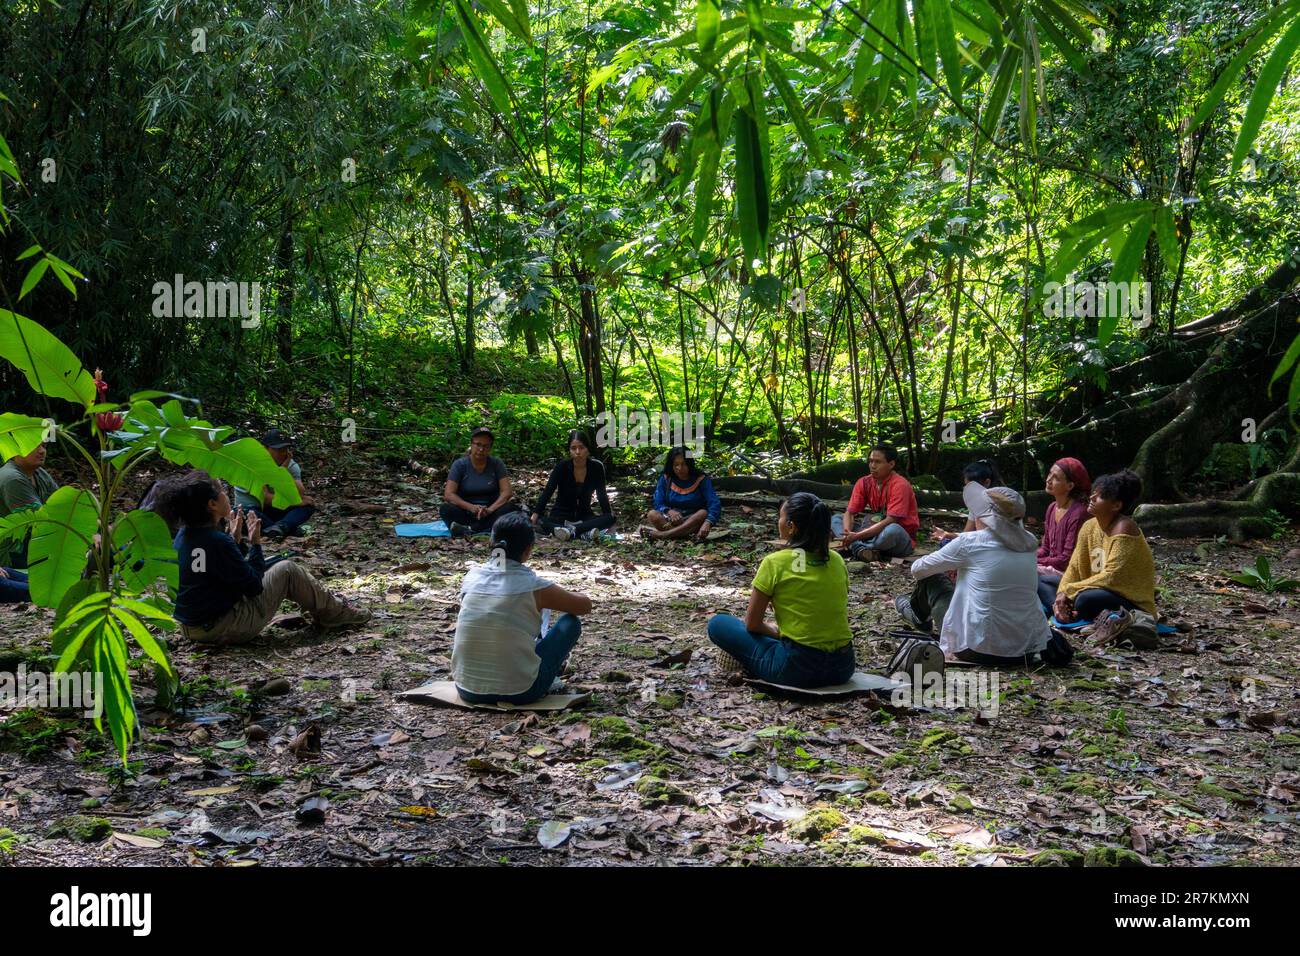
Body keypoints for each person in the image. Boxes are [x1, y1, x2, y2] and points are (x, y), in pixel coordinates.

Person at [156, 470, 369, 645]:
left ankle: (329, 607)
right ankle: (335, 613)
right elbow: (253, 586)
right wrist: (256, 543)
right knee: (287, 569)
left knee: (275, 563)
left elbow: (213, 575)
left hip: (192, 628)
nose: (226, 494)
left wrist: (235, 540)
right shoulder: (215, 541)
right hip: (221, 628)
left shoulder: (186, 535)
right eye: (222, 491)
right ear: (212, 504)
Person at [707, 492, 856, 687]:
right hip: (842, 667)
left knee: (718, 623)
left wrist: (777, 632)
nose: (779, 521)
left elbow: (752, 624)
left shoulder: (775, 562)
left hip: (797, 668)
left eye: (781, 517)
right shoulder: (836, 560)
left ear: (791, 526)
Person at [895, 483, 1050, 665]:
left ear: (985, 517)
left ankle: (917, 616)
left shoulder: (970, 542)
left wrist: (953, 562)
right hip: (1025, 650)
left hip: (977, 649)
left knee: (933, 578)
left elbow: (918, 569)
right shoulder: (1029, 542)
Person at [452, 512, 593, 704]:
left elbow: (499, 574)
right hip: (522, 691)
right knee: (570, 623)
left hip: (467, 689)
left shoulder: (472, 577)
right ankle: (541, 676)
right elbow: (584, 606)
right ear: (528, 549)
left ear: (490, 543)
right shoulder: (533, 585)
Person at [1051, 469, 1156, 623]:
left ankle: (1067, 609)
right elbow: (1074, 567)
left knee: (1085, 599)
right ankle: (1063, 608)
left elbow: (1111, 577)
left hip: (1128, 599)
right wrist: (1062, 593)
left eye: (1100, 496)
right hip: (1094, 587)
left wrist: (1069, 590)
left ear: (1116, 505)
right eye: (1094, 492)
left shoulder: (1124, 528)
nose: (1092, 497)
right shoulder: (1089, 526)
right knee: (1043, 583)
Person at [834, 442, 919, 560]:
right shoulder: (864, 482)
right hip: (872, 532)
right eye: (870, 461)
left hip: (897, 537)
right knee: (837, 519)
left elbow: (890, 520)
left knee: (892, 530)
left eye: (878, 462)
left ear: (891, 464)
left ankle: (856, 547)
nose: (872, 465)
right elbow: (850, 512)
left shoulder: (900, 485)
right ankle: (861, 549)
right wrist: (847, 533)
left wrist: (857, 536)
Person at [232, 428, 316, 541]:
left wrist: (284, 471)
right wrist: (296, 502)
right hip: (252, 509)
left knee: (308, 505)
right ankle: (286, 528)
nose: (283, 452)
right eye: (279, 449)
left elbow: (300, 493)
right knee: (241, 513)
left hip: (273, 509)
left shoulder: (290, 465)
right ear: (265, 449)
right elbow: (265, 499)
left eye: (285, 448)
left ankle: (280, 527)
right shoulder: (252, 465)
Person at [531, 430, 615, 542]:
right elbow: (548, 492)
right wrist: (535, 515)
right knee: (541, 521)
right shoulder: (562, 467)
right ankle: (583, 533)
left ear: (588, 449)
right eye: (573, 448)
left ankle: (572, 531)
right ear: (569, 450)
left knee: (611, 518)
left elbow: (602, 496)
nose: (578, 452)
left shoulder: (596, 467)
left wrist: (608, 520)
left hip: (584, 516)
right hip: (561, 516)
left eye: (581, 447)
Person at [440, 427, 521, 537]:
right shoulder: (460, 465)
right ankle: (485, 528)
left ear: (490, 448)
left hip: (491, 511)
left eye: (485, 446)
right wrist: (471, 508)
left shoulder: (497, 464)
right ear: (471, 444)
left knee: (511, 509)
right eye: (478, 444)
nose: (481, 449)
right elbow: (449, 494)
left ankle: (470, 529)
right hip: (465, 511)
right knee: (446, 509)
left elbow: (507, 492)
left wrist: (489, 510)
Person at [1036, 457, 1091, 610]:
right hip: (1052, 567)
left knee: (1022, 572)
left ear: (1070, 485)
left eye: (1056, 478)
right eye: (1049, 474)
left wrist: (1033, 562)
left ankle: (1059, 604)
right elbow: (1045, 548)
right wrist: (1030, 556)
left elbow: (1066, 560)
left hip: (1068, 573)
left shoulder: (1079, 513)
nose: (1048, 480)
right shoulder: (1052, 507)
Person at [641, 446, 722, 541]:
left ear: (689, 464)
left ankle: (664, 535)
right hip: (671, 521)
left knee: (703, 513)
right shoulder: (666, 478)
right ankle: (681, 535)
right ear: (671, 465)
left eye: (684, 464)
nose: (680, 468)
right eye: (676, 465)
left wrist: (708, 522)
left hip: (693, 521)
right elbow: (658, 503)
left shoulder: (701, 478)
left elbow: (714, 503)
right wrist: (669, 511)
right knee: (652, 514)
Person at [0, 444, 60, 568]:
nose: (42, 451)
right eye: (34, 446)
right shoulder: (12, 479)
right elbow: (41, 522)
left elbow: (63, 505)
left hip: (33, 542)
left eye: (44, 445)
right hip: (13, 551)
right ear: (15, 449)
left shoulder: (38, 473)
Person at [931, 459, 1004, 547]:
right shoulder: (976, 503)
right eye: (966, 486)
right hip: (981, 544)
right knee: (946, 542)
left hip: (989, 548)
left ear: (987, 482)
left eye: (971, 487)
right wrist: (946, 534)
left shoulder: (999, 504)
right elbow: (967, 534)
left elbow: (982, 538)